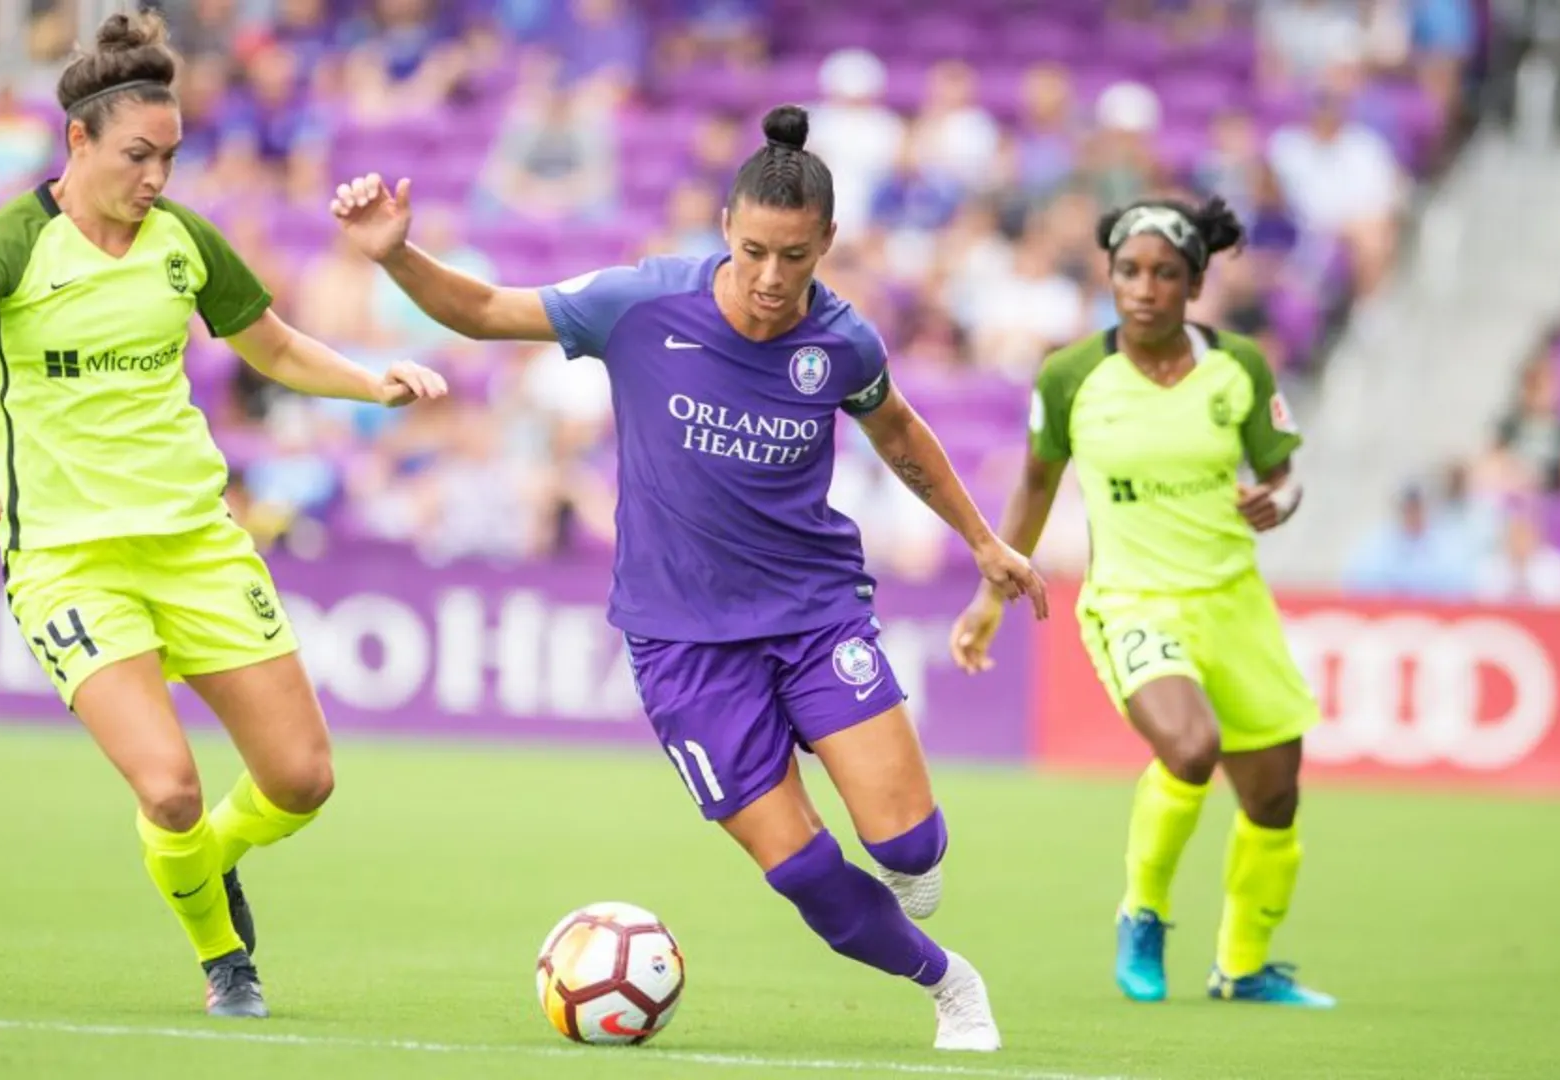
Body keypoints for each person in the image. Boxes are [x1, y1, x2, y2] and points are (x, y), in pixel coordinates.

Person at [332, 104, 1046, 1053]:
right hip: (681, 642)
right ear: (725, 229)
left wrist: (982, 540)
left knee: (910, 848)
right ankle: (950, 983)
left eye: (795, 256)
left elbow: (901, 431)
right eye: (754, 250)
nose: (770, 277)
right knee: (804, 876)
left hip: (813, 615)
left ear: (828, 242)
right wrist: (395, 254)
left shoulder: (843, 342)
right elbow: (484, 310)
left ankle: (906, 874)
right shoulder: (638, 304)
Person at [0, 11, 448, 1020]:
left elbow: (270, 347)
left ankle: (202, 865)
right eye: (139, 156)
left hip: (195, 544)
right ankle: (224, 955)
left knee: (303, 780)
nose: (157, 177)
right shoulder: (14, 242)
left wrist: (374, 383)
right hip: (69, 563)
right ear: (78, 141)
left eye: (172, 157)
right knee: (171, 790)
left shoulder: (183, 242)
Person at [951, 195, 1336, 1009]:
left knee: (1274, 796)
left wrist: (1283, 501)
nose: (1145, 288)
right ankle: (1144, 915)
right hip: (1133, 602)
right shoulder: (1071, 375)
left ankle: (1243, 967)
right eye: (1130, 271)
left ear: (1196, 283)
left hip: (1234, 604)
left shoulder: (1240, 367)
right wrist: (992, 597)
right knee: (1191, 749)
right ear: (1110, 277)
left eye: (1166, 273)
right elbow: (1034, 485)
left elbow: (1285, 473)